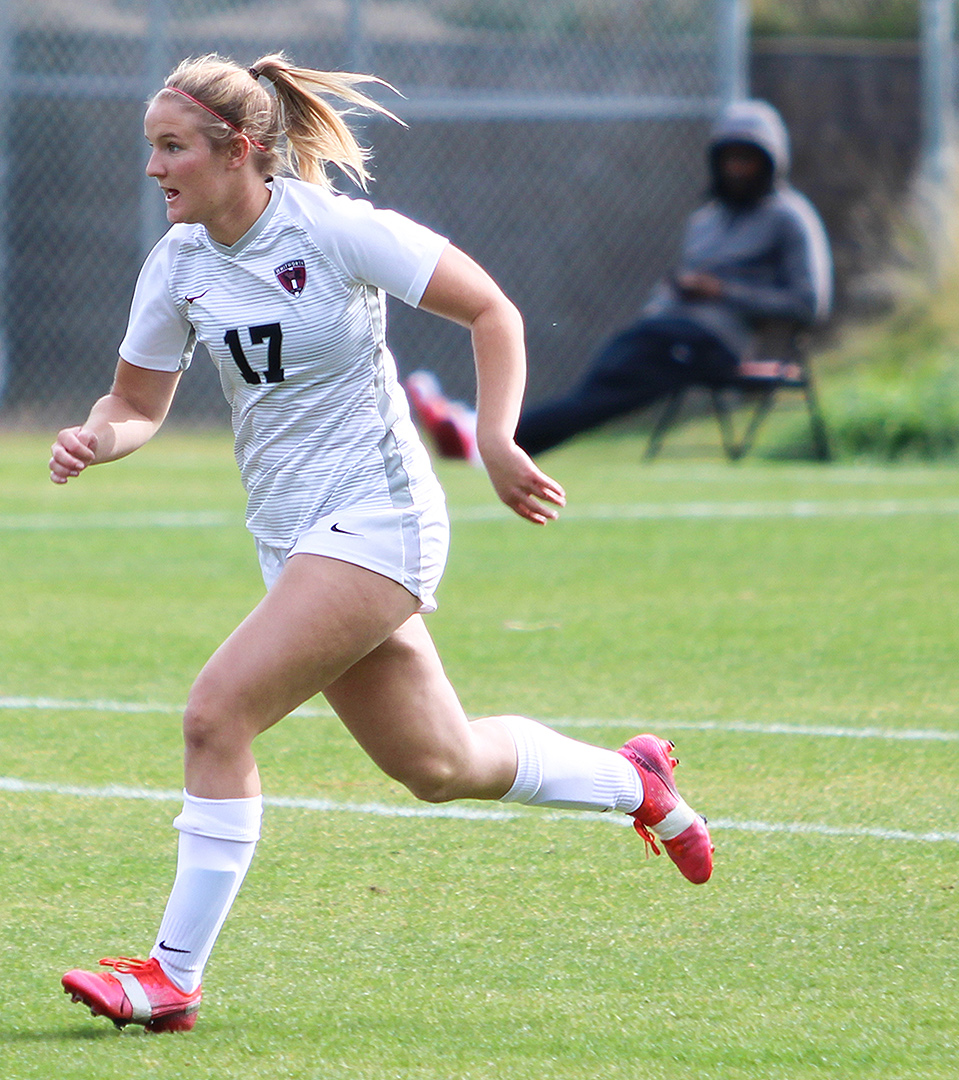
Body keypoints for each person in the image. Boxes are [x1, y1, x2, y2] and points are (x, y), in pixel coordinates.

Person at [46, 52, 714, 1035]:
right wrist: (101, 438)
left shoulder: (332, 230)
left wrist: (494, 440)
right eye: (151, 147)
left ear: (238, 152)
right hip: (294, 540)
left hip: (382, 521)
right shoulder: (179, 263)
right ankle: (637, 783)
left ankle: (171, 975)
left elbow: (494, 310)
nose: (153, 169)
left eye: (171, 147)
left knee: (215, 715)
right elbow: (136, 403)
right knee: (440, 766)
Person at [405, 98, 832, 458]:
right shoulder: (706, 220)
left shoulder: (789, 217)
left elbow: (809, 302)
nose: (738, 169)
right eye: (731, 158)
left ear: (771, 161)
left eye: (749, 159)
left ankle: (484, 438)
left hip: (713, 342)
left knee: (604, 395)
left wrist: (724, 292)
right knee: (600, 384)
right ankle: (485, 435)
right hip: (663, 328)